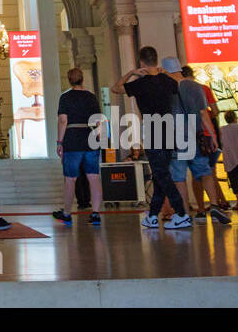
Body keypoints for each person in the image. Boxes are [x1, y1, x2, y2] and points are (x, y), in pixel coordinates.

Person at [112, 46, 191, 230]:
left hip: (153, 131)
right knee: (159, 173)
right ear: (157, 61)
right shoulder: (166, 80)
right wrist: (164, 73)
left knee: (161, 173)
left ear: (141, 63)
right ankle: (153, 216)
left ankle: (181, 213)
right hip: (169, 130)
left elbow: (115, 88)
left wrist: (131, 72)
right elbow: (180, 81)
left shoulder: (139, 84)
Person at [166, 57, 231, 225]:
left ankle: (185, 215)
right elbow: (204, 114)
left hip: (176, 137)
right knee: (205, 172)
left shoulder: (165, 88)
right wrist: (213, 136)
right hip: (196, 135)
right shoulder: (197, 87)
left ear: (166, 71)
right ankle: (215, 205)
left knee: (179, 177)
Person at [55, 67, 102, 226]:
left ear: (69, 80)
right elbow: (98, 121)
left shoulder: (65, 98)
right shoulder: (91, 97)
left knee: (70, 179)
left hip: (73, 139)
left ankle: (67, 214)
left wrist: (59, 142)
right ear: (82, 79)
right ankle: (95, 214)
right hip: (89, 138)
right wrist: (98, 137)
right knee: (93, 178)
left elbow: (63, 121)